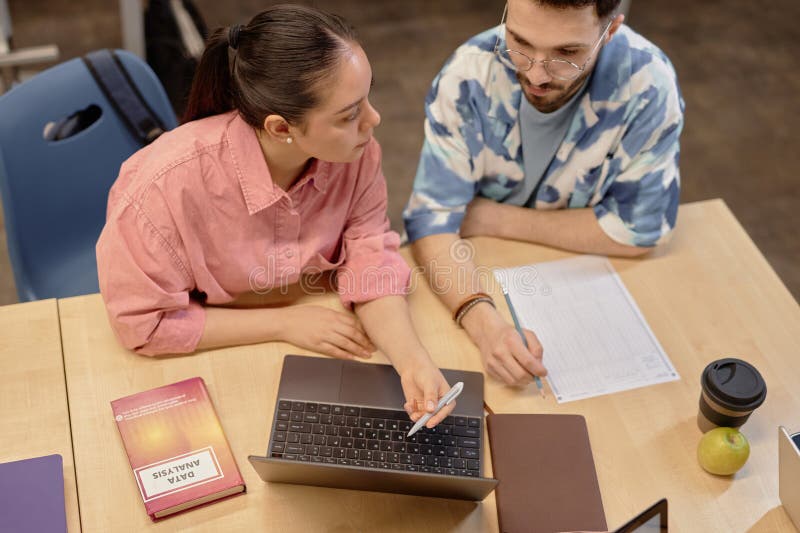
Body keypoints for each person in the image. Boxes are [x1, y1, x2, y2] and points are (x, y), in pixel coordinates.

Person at [96, 5, 453, 426]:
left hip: (307, 324)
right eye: (349, 115)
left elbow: (371, 257)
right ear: (282, 129)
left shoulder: (354, 154)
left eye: (367, 97)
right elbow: (146, 325)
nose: (374, 121)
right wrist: (283, 323)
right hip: (217, 363)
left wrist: (413, 362)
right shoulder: (160, 189)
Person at [403, 0, 684, 387]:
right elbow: (430, 223)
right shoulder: (469, 71)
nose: (535, 74)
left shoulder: (648, 83)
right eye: (518, 40)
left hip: (577, 289)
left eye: (567, 53)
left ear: (611, 31)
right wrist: (486, 326)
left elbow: (639, 232)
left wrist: (489, 217)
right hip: (479, 280)